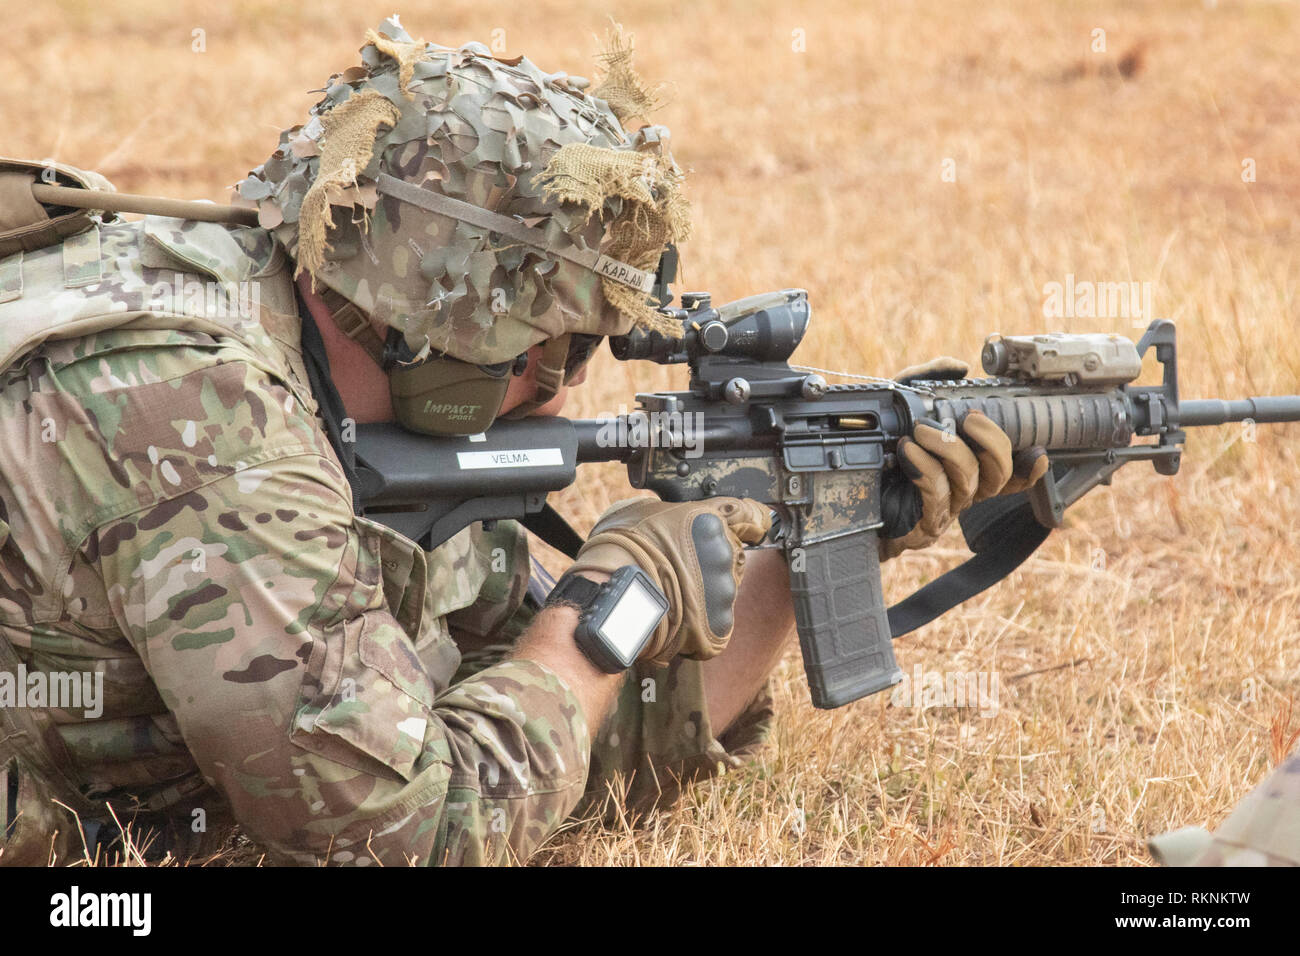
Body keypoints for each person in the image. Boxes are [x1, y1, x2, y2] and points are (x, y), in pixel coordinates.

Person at [0, 19, 1040, 866]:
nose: (573, 380)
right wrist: (615, 600)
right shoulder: (198, 421)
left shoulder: (332, 374)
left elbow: (546, 750)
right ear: (448, 327)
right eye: (562, 346)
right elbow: (400, 836)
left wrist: (823, 530)